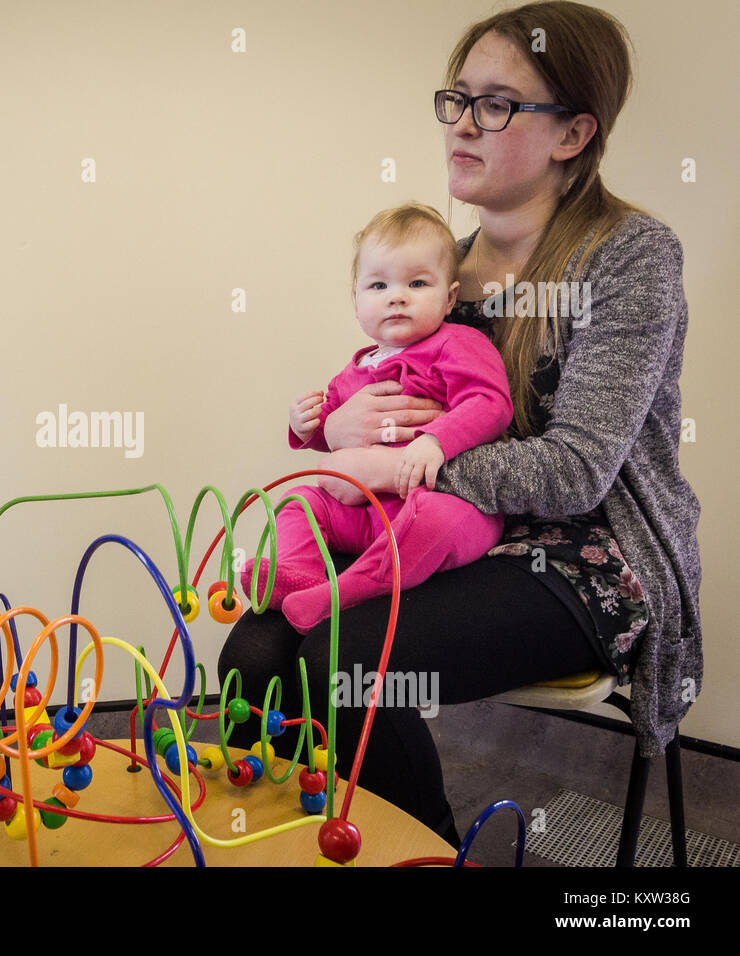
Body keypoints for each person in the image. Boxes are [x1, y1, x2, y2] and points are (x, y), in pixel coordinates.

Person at [218, 0, 701, 846]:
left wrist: (397, 466)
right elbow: (371, 397)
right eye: (459, 98)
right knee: (252, 657)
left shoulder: (629, 255)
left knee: (347, 657)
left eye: (499, 103)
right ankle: (304, 846)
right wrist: (339, 437)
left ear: (573, 134)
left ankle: (425, 852)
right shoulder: (437, 267)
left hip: (586, 550)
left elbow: (578, 470)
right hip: (435, 523)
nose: (463, 125)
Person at [240, 202, 513, 634]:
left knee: (440, 520)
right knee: (300, 504)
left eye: (417, 283)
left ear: (450, 297)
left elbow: (491, 404)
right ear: (356, 301)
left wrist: (435, 441)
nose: (397, 295)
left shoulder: (457, 344)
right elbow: (330, 433)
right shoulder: (358, 367)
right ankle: (297, 572)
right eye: (378, 284)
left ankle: (344, 592)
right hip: (363, 513)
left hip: (426, 503)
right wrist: (306, 425)